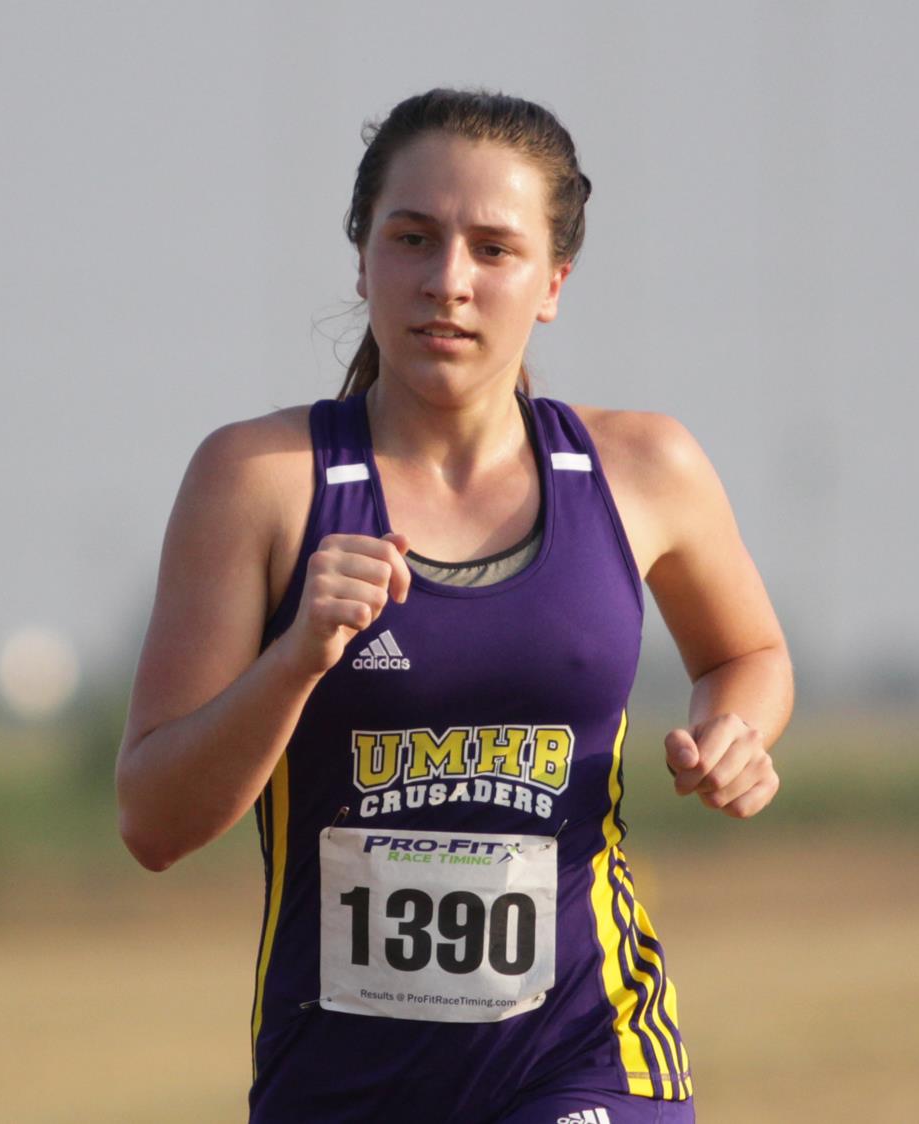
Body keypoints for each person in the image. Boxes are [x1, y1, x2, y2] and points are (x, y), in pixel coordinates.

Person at [116, 88, 793, 1124]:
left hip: (586, 1054)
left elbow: (746, 649)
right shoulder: (258, 478)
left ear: (553, 280)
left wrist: (737, 729)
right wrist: (296, 656)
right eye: (413, 238)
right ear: (361, 258)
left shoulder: (643, 466)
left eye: (493, 249)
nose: (447, 282)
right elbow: (154, 820)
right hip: (335, 1084)